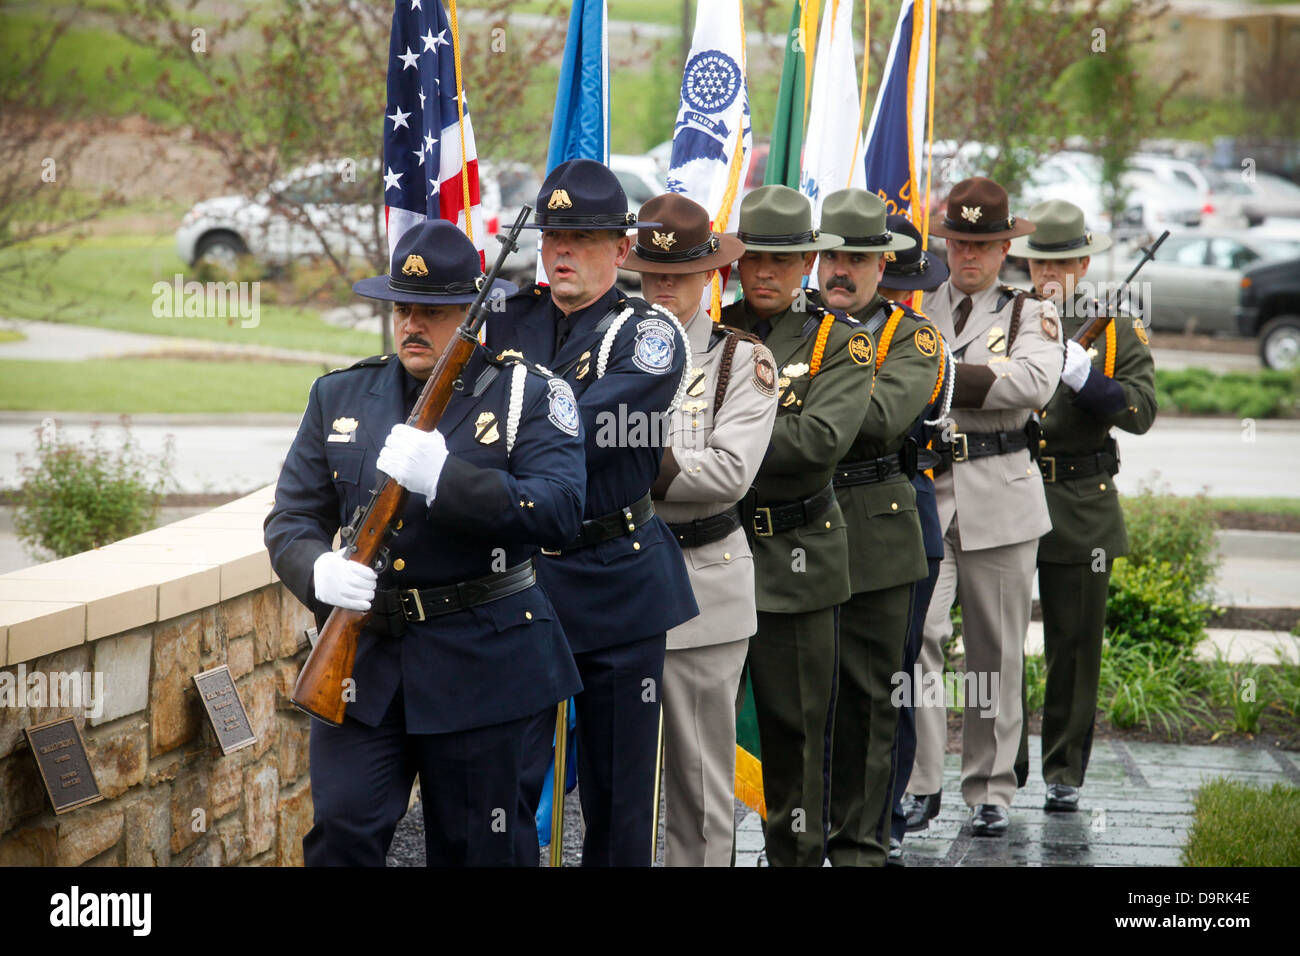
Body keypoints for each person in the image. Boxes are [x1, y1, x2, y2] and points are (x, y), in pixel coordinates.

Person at [263, 219, 587, 866]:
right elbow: (291, 518)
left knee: (481, 848)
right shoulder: (340, 394)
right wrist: (315, 570)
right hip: (366, 660)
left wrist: (449, 480)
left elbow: (558, 510)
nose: (413, 323)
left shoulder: (530, 394)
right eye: (403, 308)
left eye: (433, 311)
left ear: (471, 312)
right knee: (343, 835)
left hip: (482, 659)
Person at [484, 159, 699, 867]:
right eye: (552, 236)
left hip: (616, 582)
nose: (562, 252)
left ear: (621, 249)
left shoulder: (648, 336)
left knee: (619, 792)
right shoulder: (507, 319)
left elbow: (584, 431)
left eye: (581, 237)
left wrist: (504, 433)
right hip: (521, 582)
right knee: (502, 782)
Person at [719, 184, 875, 866]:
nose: (766, 272)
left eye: (783, 260)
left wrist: (719, 439)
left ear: (810, 259)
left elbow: (819, 441)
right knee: (700, 732)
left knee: (796, 734)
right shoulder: (711, 332)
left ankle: (796, 858)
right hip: (713, 553)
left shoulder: (839, 345)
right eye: (753, 256)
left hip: (796, 557)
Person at [903, 177, 1063, 837]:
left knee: (996, 652)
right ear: (945, 242)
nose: (969, 255)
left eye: (983, 244)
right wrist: (972, 384)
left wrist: (938, 376)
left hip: (1001, 489)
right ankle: (917, 783)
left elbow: (1034, 382)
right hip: (932, 494)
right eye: (959, 242)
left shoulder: (1032, 314)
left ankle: (991, 788)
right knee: (920, 641)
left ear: (1004, 249)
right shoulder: (914, 308)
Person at [622, 193, 778, 866]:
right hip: (618, 582)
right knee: (617, 775)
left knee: (699, 785)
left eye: (678, 278)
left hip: (700, 585)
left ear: (708, 277)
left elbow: (726, 474)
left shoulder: (742, 363)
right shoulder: (610, 352)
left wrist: (625, 456)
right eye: (652, 276)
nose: (662, 291)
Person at [1008, 199, 1157, 812]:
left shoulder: (1115, 328)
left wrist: (1088, 381)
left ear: (1084, 263)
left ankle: (1064, 769)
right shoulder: (1006, 317)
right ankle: (1003, 766)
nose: (1050, 275)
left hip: (1082, 499)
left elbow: (1141, 412)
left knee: (1075, 644)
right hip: (1011, 492)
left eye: (1063, 262)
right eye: (1040, 262)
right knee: (1000, 641)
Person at [814, 190, 941, 866]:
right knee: (805, 700)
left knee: (871, 698)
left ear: (881, 263)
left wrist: (799, 402)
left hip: (878, 530)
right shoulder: (788, 327)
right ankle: (804, 835)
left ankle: (865, 839)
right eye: (831, 253)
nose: (841, 268)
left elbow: (876, 421)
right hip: (796, 532)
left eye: (857, 257)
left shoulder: (911, 337)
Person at [875, 214, 955, 862]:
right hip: (836, 524)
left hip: (904, 516)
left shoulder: (922, 341)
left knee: (893, 676)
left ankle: (889, 813)